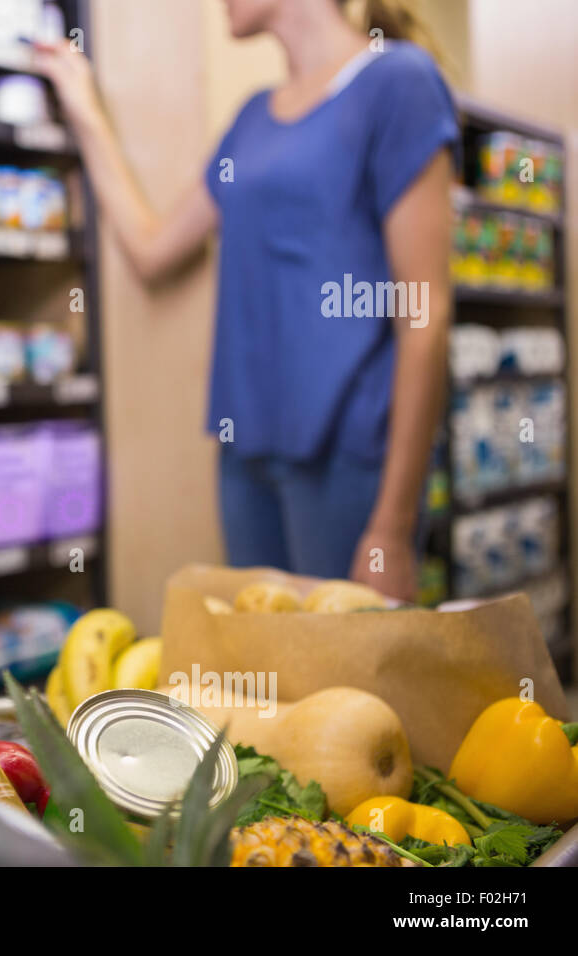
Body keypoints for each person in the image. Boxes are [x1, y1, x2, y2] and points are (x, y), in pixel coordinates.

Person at [37, 0, 459, 601]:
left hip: (348, 459)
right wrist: (84, 109)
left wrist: (392, 527)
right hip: (246, 454)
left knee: (344, 659)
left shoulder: (398, 82)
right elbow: (152, 251)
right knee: (265, 653)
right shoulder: (251, 120)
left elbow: (426, 313)